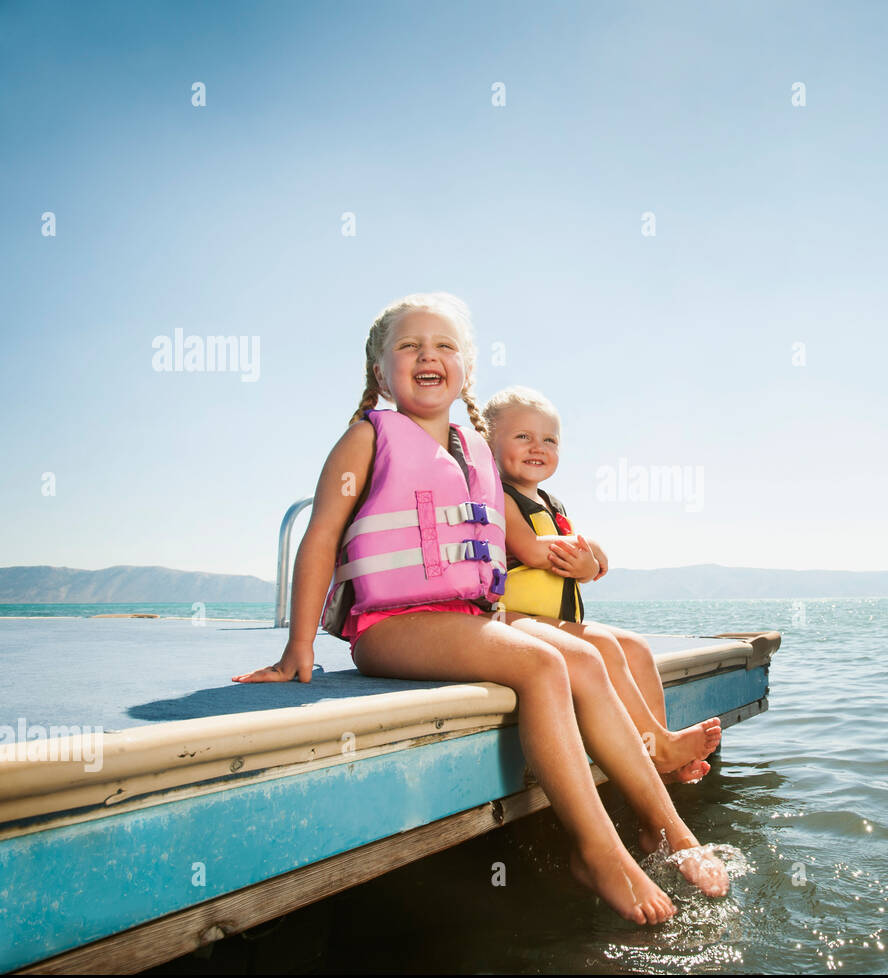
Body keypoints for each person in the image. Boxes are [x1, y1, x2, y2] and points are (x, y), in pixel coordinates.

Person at [232, 293, 727, 924]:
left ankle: (669, 830)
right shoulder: (366, 438)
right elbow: (322, 534)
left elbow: (524, 548)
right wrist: (296, 649)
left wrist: (592, 558)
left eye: (443, 346)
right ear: (380, 371)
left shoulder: (474, 456)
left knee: (583, 656)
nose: (427, 356)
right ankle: (596, 852)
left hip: (467, 619)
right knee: (544, 666)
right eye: (409, 346)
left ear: (464, 368)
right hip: (393, 627)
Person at [483, 386, 721, 784]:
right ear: (488, 444)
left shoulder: (551, 504)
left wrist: (589, 558)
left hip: (552, 623)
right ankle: (660, 748)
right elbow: (530, 549)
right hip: (509, 621)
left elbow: (590, 566)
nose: (537, 446)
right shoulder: (496, 494)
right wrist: (586, 552)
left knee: (635, 647)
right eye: (522, 436)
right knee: (606, 647)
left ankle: (656, 756)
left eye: (549, 440)